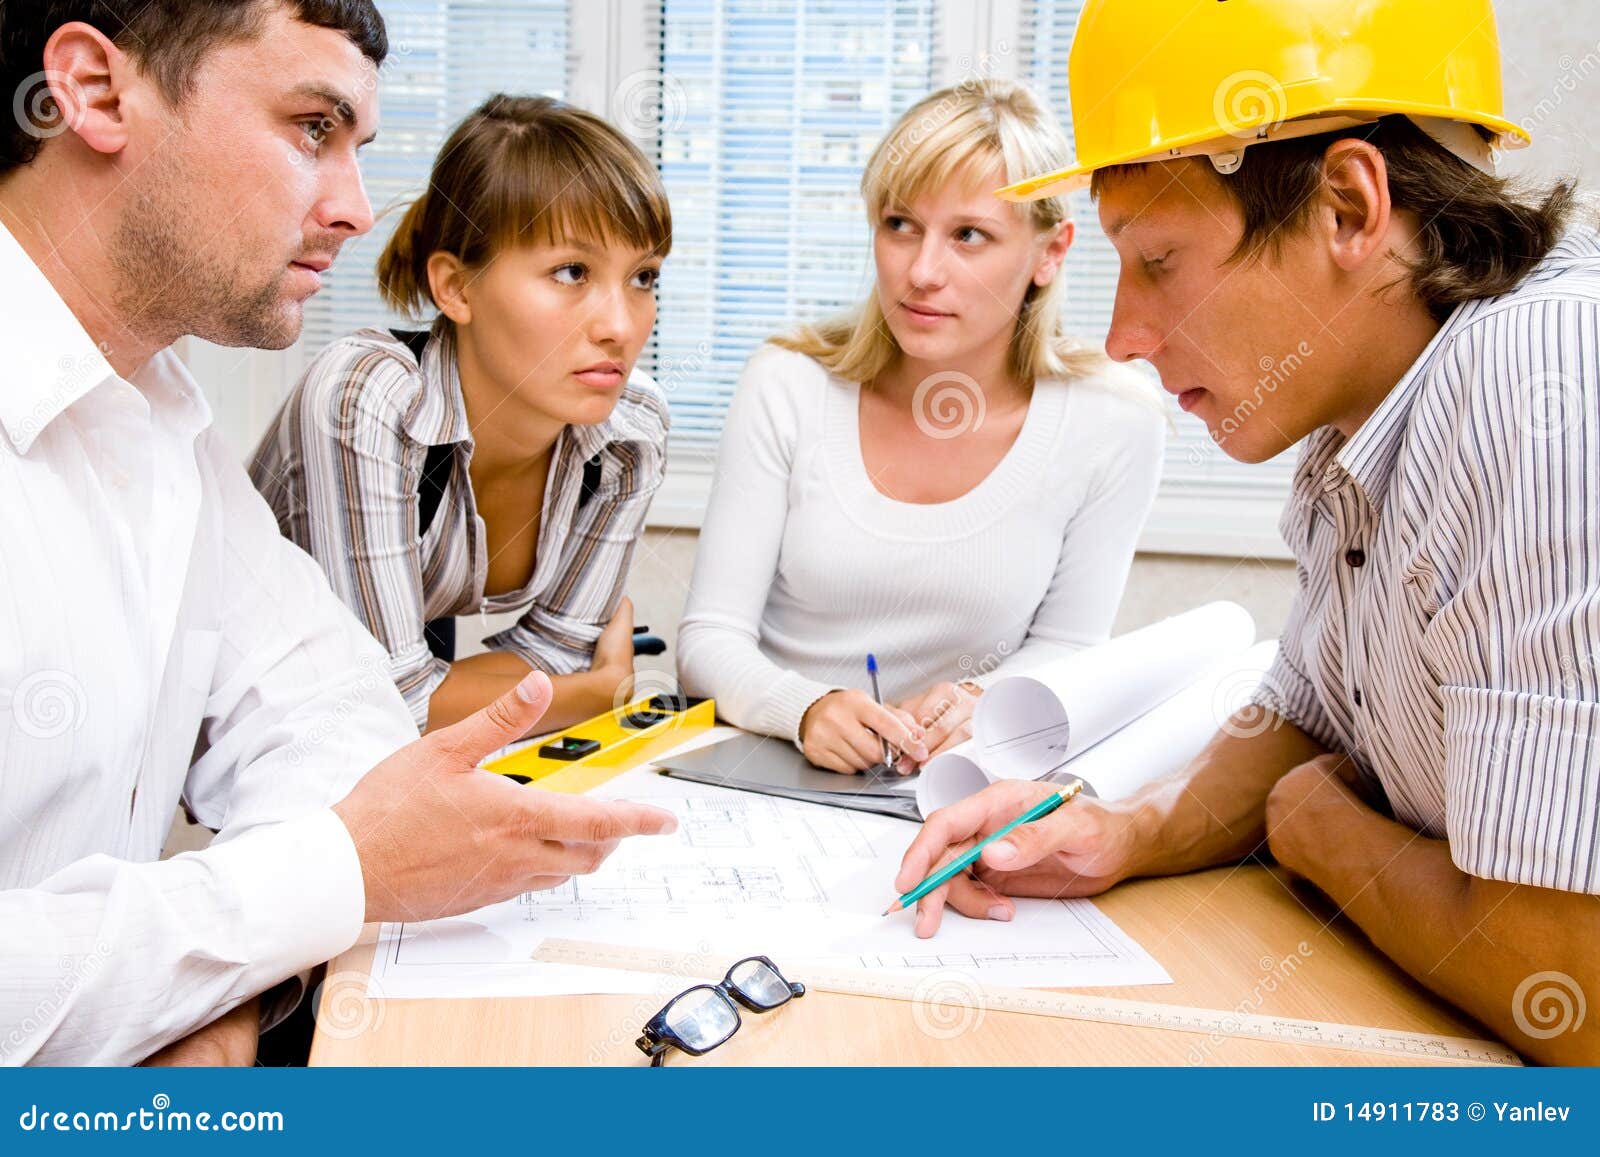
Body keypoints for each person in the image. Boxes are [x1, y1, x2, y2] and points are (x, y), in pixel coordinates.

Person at [897, 0, 1599, 1065]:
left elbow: (1570, 988)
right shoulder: (1355, 423)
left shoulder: (1544, 380)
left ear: (1350, 207)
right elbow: (1310, 712)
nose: (1125, 336)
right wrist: (1119, 828)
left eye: (1161, 261)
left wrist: (1311, 824)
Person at [0, 0, 674, 1067]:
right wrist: (276, 926)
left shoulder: (164, 421)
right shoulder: (352, 394)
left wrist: (232, 984)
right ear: (90, 90)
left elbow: (339, 717)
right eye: (314, 127)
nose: (360, 209)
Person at [677, 80, 1164, 775]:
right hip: (764, 776)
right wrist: (805, 707)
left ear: (1050, 253)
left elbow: (1072, 645)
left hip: (952, 785)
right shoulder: (787, 383)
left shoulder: (1116, 420)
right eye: (900, 224)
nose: (921, 272)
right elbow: (708, 640)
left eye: (969, 235)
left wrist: (982, 698)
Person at [251, 95, 671, 736]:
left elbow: (556, 653)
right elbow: (387, 705)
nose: (620, 327)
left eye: (643, 278)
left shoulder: (630, 430)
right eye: (570, 271)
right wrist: (592, 695)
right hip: (247, 730)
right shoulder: (368, 395)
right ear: (455, 286)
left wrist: (540, 682)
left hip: (379, 746)